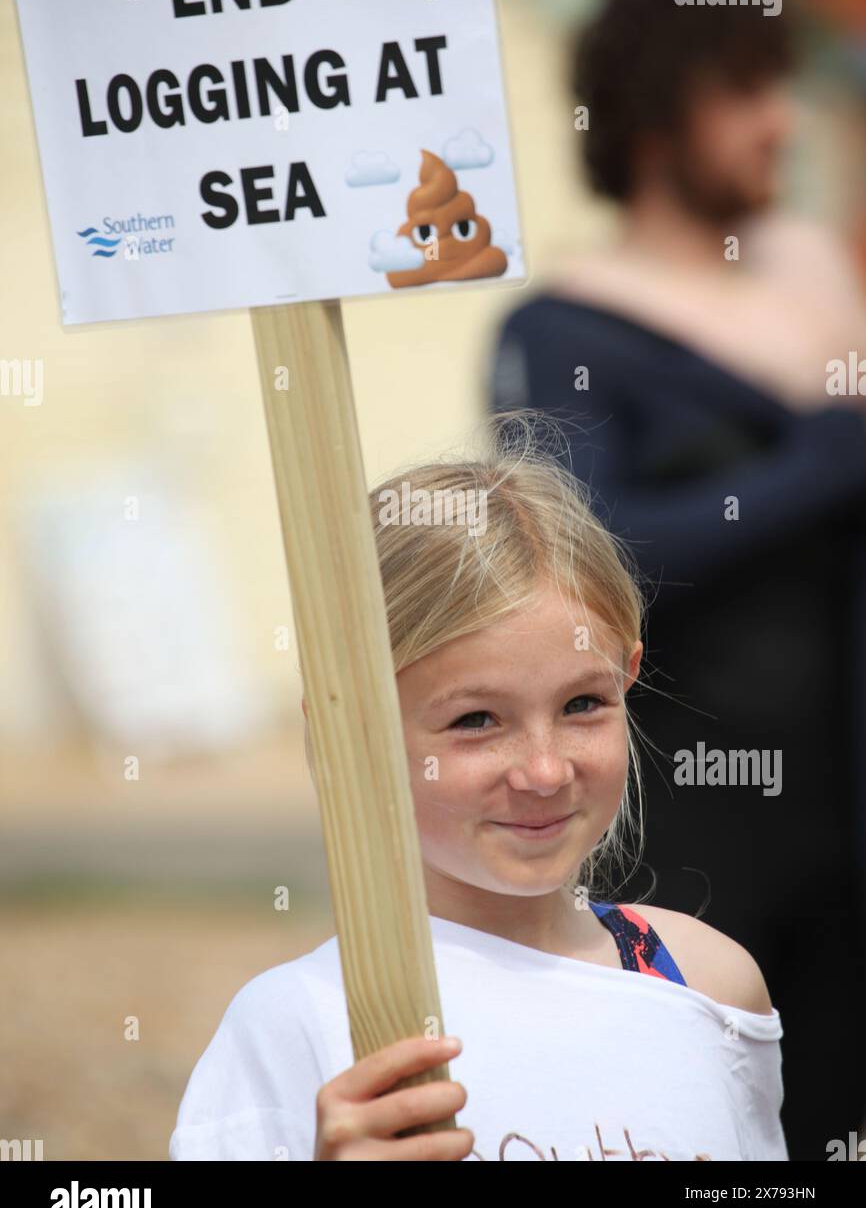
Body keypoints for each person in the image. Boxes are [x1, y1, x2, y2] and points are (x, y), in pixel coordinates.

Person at [169, 413, 787, 1162]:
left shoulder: (708, 984)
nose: (545, 771)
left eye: (582, 705)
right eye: (476, 720)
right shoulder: (303, 1024)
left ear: (629, 677)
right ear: (349, 729)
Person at [490, 0, 866, 1161]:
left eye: (783, 88)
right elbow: (602, 547)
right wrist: (835, 435)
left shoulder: (810, 290)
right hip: (700, 830)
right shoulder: (564, 329)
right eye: (743, 89)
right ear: (651, 115)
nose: (780, 122)